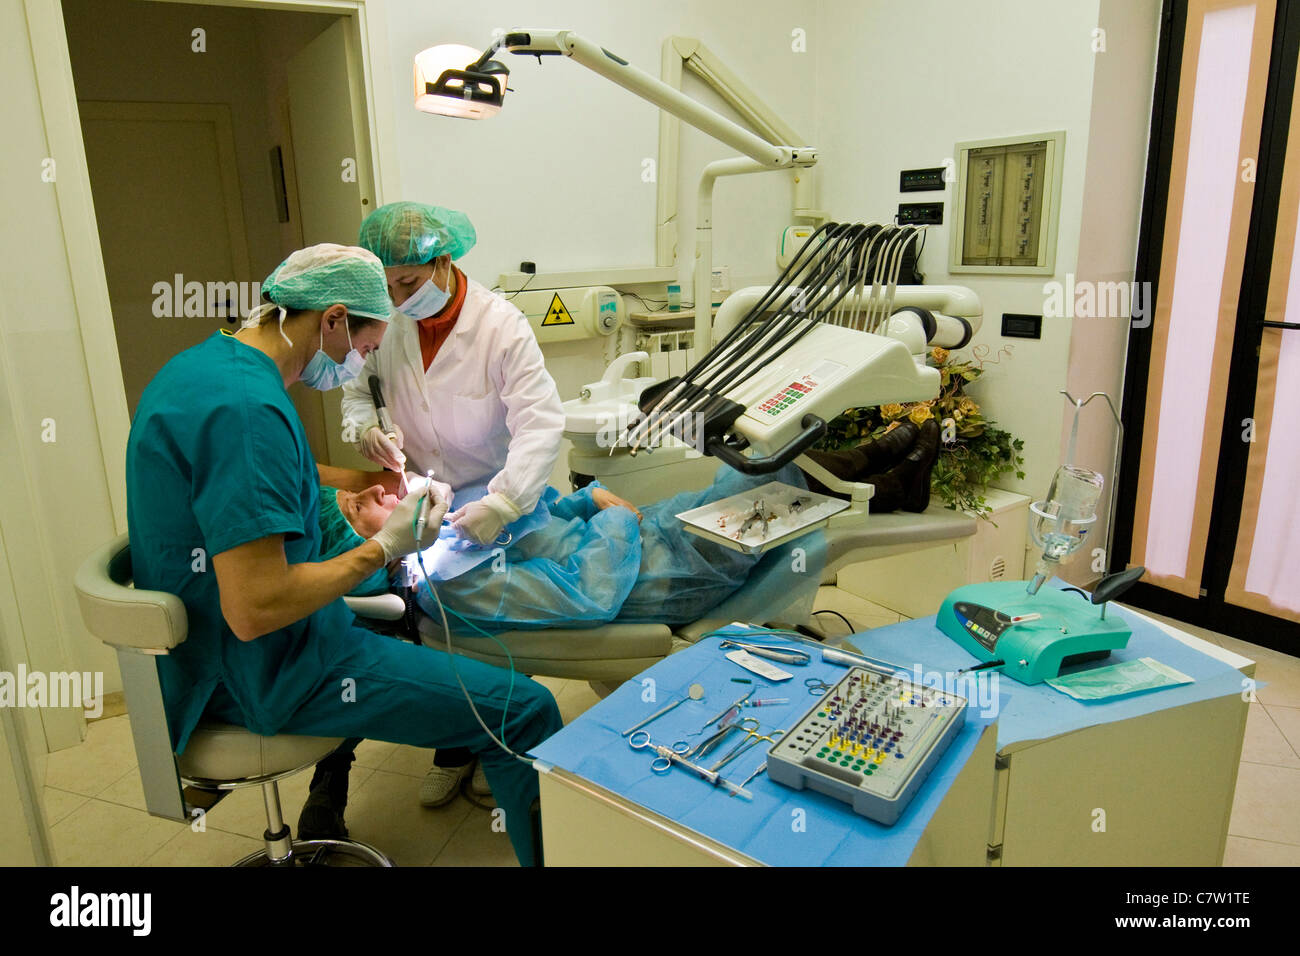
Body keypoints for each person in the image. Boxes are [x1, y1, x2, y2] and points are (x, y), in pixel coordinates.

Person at [125, 244, 561, 866]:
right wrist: (386, 545)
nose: (359, 361)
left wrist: (367, 484)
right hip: (263, 667)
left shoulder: (209, 368)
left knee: (382, 624)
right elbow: (255, 608)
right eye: (362, 347)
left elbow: (268, 481)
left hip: (211, 647)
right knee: (526, 707)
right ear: (332, 319)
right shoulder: (249, 412)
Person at [345, 201, 566, 803]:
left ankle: (504, 737)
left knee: (490, 623)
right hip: (426, 495)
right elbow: (356, 384)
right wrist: (365, 425)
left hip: (500, 493)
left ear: (443, 261)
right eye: (386, 286)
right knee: (426, 618)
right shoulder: (388, 324)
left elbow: (541, 423)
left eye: (408, 283)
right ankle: (456, 738)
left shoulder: (500, 325)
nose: (395, 298)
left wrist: (506, 501)